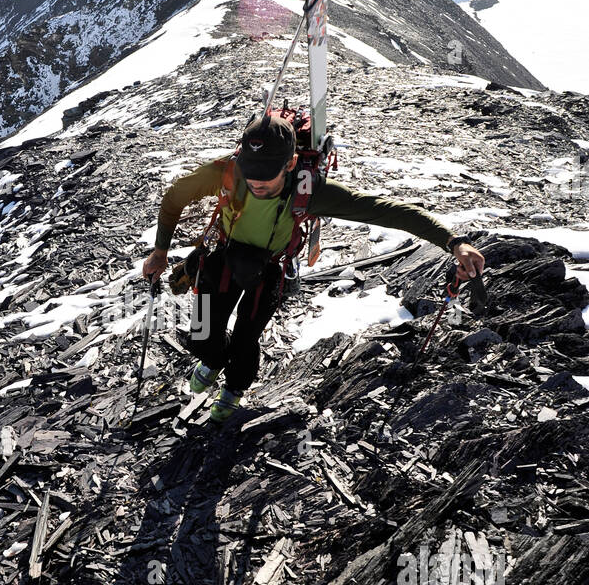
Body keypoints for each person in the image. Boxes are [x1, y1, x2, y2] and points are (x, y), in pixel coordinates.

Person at [141, 112, 486, 423]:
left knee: (246, 338)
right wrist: (159, 252)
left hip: (267, 271)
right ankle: (212, 358)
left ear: (290, 164)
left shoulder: (310, 190)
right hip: (221, 259)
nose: (257, 184)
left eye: (267, 178)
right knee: (201, 332)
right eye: (252, 174)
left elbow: (385, 210)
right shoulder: (229, 170)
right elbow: (175, 196)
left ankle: (233, 389)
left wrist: (453, 242)